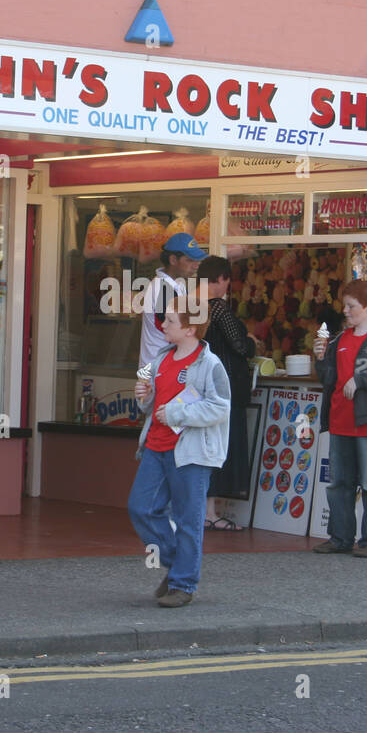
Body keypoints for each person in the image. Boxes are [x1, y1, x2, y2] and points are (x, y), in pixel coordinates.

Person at [128, 291, 231, 607]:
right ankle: (178, 567)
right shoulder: (161, 358)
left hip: (191, 452)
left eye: (170, 320)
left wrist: (176, 413)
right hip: (156, 447)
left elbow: (221, 407)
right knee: (141, 508)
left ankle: (183, 584)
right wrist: (143, 397)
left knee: (189, 518)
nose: (163, 324)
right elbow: (152, 405)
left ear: (190, 329)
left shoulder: (210, 364)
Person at [312, 280, 367, 557]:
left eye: (351, 306)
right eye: (345, 305)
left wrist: (361, 380)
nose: (346, 311)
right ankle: (340, 537)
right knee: (339, 484)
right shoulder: (339, 339)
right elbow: (329, 378)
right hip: (340, 421)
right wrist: (320, 358)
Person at [199, 255, 261, 529]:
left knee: (207, 447)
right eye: (227, 281)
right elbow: (238, 345)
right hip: (225, 388)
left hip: (204, 387)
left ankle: (206, 511)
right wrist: (250, 342)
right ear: (222, 279)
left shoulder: (194, 306)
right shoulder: (219, 308)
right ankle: (212, 513)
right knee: (222, 447)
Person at [138, 231, 207, 370]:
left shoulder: (177, 284)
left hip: (167, 365)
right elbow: (179, 329)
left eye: (197, 260)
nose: (196, 265)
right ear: (173, 260)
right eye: (189, 260)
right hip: (157, 369)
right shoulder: (162, 289)